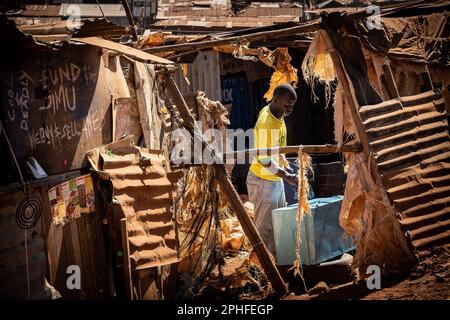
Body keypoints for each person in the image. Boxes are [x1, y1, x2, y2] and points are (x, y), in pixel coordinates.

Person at [246, 83, 298, 257]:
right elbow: (263, 158)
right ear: (275, 99)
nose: (290, 109)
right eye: (287, 105)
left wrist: (283, 167)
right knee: (264, 229)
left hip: (275, 178)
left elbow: (275, 149)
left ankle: (276, 266)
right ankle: (260, 267)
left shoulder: (279, 114)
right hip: (262, 180)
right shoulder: (265, 122)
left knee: (278, 224)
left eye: (292, 106)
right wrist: (287, 175)